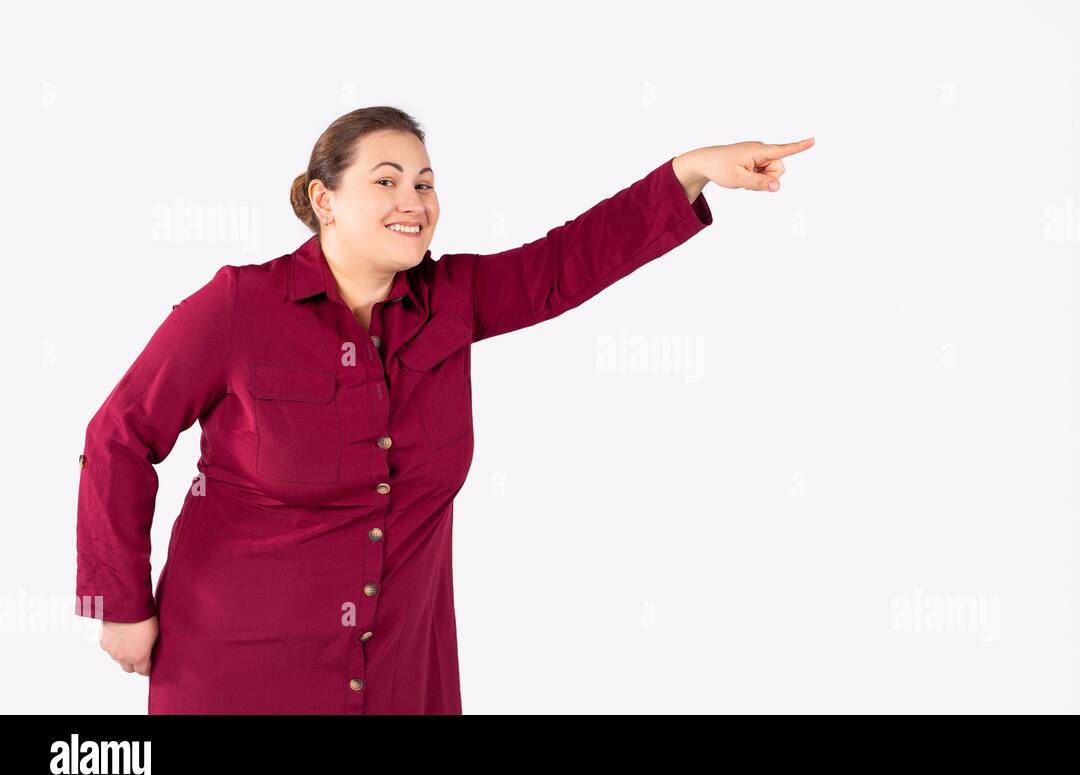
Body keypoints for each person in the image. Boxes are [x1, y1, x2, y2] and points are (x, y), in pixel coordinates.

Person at [75, 104, 814, 713]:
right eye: (387, 180)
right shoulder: (238, 306)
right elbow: (119, 435)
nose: (414, 202)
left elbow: (565, 264)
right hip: (235, 672)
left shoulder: (452, 300)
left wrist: (689, 170)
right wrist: (119, 603)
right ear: (323, 200)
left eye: (426, 184)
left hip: (400, 676)